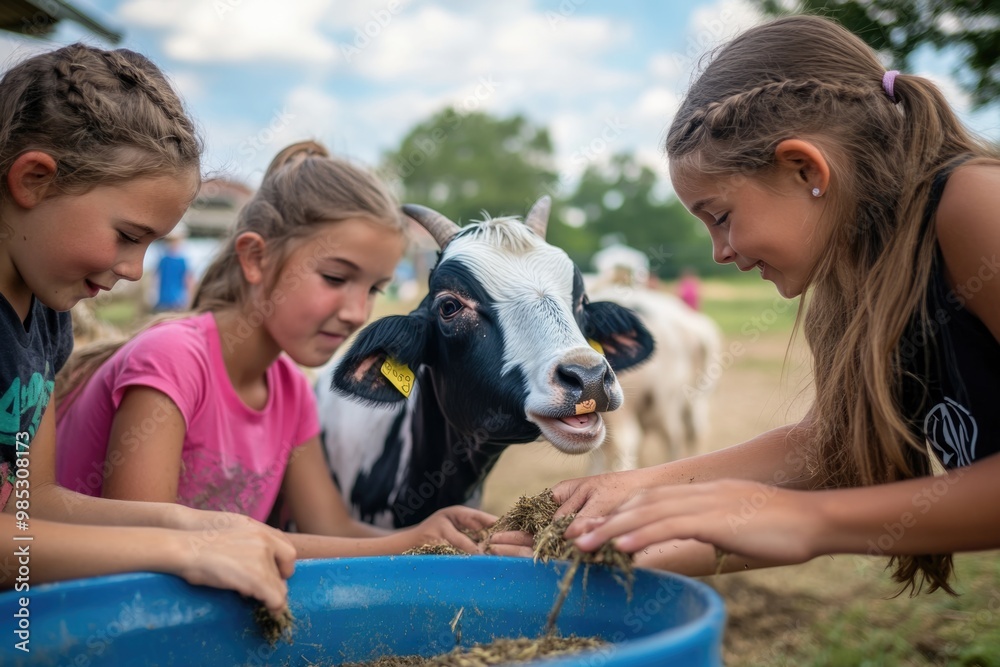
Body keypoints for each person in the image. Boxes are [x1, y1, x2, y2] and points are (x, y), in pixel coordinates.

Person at [493, 15, 1000, 595]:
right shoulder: (862, 279)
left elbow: (805, 507)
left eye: (722, 217)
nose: (718, 253)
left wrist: (810, 523)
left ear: (805, 168)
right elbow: (829, 451)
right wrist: (623, 524)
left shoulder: (976, 206)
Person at [55, 140, 495, 558]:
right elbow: (146, 546)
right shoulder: (173, 360)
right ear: (255, 259)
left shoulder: (291, 390)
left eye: (375, 288)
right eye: (336, 279)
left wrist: (430, 538)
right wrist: (404, 544)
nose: (358, 313)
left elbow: (332, 529)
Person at [0, 43, 294, 613]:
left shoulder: (47, 320)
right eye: (128, 236)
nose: (136, 270)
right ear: (34, 179)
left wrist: (194, 525)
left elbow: (34, 505)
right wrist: (171, 551)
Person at [152, 221, 193, 311]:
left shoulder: (182, 261)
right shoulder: (163, 260)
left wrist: (189, 299)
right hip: (164, 300)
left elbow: (188, 280)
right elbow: (156, 279)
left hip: (178, 301)